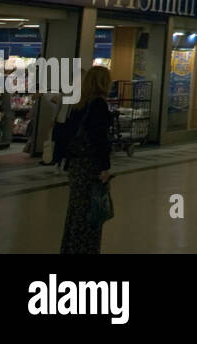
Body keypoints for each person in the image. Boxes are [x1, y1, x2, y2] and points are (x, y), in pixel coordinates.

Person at [58, 65, 113, 254]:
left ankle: (71, 247)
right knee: (91, 212)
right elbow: (100, 139)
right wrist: (104, 167)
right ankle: (86, 248)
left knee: (76, 210)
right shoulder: (98, 105)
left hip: (76, 165)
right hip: (90, 165)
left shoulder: (79, 104)